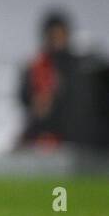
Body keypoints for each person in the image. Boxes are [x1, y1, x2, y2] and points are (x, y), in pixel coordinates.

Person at [16, 9, 78, 149]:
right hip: (39, 133)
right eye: (53, 36)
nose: (57, 41)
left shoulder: (77, 66)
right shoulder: (34, 67)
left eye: (60, 35)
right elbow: (25, 98)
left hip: (70, 133)